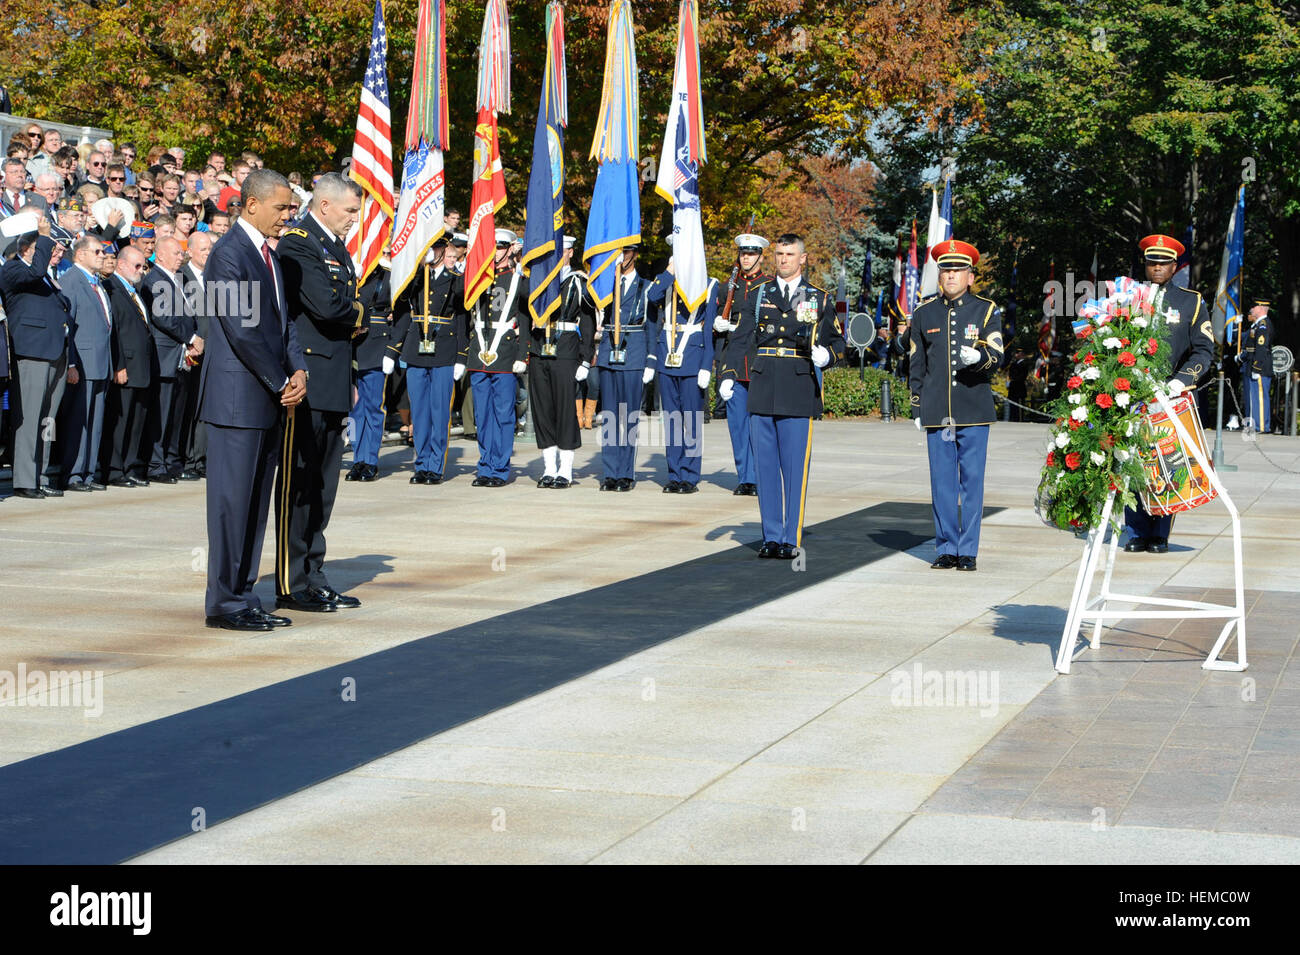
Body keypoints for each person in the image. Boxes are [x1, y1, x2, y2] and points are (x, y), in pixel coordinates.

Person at [199, 168, 306, 632]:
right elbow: (241, 329)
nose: (288, 216)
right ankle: (224, 603)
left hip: (265, 397)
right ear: (251, 204)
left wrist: (298, 367)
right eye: (281, 207)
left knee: (255, 504)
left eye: (290, 208)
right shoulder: (228, 255)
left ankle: (243, 594)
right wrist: (279, 379)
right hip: (237, 401)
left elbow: (284, 324)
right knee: (231, 505)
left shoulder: (269, 255)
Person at [272, 173, 366, 612]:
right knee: (299, 484)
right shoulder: (298, 241)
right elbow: (326, 306)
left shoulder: (332, 245)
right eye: (350, 210)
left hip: (331, 379)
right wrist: (361, 312)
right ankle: (291, 582)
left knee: (324, 487)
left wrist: (348, 375)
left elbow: (338, 310)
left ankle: (314, 573)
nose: (354, 219)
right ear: (324, 205)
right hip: (306, 377)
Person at [720, 233, 844, 557]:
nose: (783, 259)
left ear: (803, 258)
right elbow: (742, 338)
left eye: (790, 254)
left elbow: (838, 343)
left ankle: (791, 539)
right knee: (765, 468)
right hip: (762, 387)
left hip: (798, 386)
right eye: (779, 254)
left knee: (793, 469)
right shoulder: (760, 294)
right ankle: (771, 536)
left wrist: (827, 357)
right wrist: (729, 374)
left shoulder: (818, 297)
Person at [908, 239, 1003, 572]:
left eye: (957, 270)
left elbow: (997, 356)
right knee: (942, 482)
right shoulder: (924, 312)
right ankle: (946, 547)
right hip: (938, 411)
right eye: (945, 270)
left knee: (972, 482)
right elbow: (916, 364)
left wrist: (980, 358)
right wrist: (917, 407)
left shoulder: (986, 310)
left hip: (973, 409)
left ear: (970, 276)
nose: (950, 276)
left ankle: (968, 549)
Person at [1123, 233, 1214, 554]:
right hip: (1131, 393)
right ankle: (1135, 529)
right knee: (1133, 462)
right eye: (1152, 262)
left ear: (1175, 266)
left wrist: (1181, 381)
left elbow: (1204, 351)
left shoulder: (1191, 301)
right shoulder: (1127, 297)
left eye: (1164, 262)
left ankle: (1160, 531)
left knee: (1167, 462)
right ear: (1145, 264)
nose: (1157, 267)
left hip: (1169, 394)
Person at [0, 211, 72, 498]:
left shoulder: (42, 275)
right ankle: (25, 478)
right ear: (25, 248)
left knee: (48, 420)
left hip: (55, 352)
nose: (51, 252)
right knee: (29, 418)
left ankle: (40, 474)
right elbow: (35, 272)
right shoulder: (13, 269)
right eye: (43, 247)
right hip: (31, 353)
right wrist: (43, 236)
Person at [388, 239, 468, 485]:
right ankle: (421, 463)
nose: (430, 253)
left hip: (444, 349)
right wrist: (392, 350)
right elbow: (402, 314)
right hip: (415, 349)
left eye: (434, 249)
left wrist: (461, 356)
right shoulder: (414, 278)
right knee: (419, 412)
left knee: (439, 410)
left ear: (444, 251)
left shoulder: (456, 280)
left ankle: (436, 465)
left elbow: (463, 319)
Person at [594, 243, 667, 491]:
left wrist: (651, 360)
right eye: (617, 252)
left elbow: (652, 326)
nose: (621, 257)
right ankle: (610, 472)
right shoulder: (605, 284)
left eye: (625, 252)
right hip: (608, 353)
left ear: (635, 254)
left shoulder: (646, 287)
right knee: (610, 418)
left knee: (628, 419)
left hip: (634, 354)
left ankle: (625, 472)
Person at [526, 235, 596, 489]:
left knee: (566, 411)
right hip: (538, 349)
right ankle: (548, 468)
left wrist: (586, 359)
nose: (557, 255)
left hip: (566, 350)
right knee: (543, 411)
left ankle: (565, 470)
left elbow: (587, 323)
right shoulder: (539, 279)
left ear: (570, 252)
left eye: (562, 250)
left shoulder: (577, 282)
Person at [465, 228, 527, 487]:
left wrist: (522, 355)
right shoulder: (477, 277)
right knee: (483, 414)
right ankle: (485, 466)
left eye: (501, 246)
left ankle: (499, 468)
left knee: (503, 414)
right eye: (492, 246)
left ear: (511, 248)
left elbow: (525, 317)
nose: (496, 251)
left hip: (504, 353)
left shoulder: (518, 280)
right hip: (478, 352)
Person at [650, 253, 715, 493]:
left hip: (692, 358)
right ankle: (674, 474)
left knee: (691, 422)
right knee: (672, 421)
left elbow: (708, 329)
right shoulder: (667, 280)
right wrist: (670, 271)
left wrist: (707, 364)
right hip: (668, 357)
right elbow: (652, 297)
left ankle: (690, 475)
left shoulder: (708, 283)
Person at [141, 236, 200, 482]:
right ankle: (157, 464)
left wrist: (194, 337)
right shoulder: (155, 279)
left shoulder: (178, 279)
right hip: (165, 356)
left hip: (181, 357)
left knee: (177, 415)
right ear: (161, 255)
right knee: (162, 415)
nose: (181, 257)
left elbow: (190, 313)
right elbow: (164, 317)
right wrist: (191, 338)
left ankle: (172, 462)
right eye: (176, 253)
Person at [714, 233, 770, 495]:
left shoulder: (769, 286)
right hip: (733, 364)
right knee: (737, 425)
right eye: (743, 253)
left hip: (759, 362)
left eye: (751, 253)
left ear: (760, 256)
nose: (746, 258)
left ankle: (760, 476)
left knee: (759, 426)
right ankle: (745, 477)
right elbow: (715, 324)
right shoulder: (727, 288)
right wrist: (718, 326)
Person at [58, 236, 114, 490]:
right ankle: (73, 473)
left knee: (96, 421)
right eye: (97, 251)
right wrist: (70, 364)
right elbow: (67, 326)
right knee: (79, 421)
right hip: (83, 361)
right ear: (80, 255)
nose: (103, 255)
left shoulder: (97, 283)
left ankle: (88, 473)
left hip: (101, 361)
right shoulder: (71, 281)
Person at [104, 244, 154, 487]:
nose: (141, 270)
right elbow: (116, 332)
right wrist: (119, 365)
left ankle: (130, 466)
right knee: (120, 421)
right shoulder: (112, 288)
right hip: (126, 366)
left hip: (142, 366)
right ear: (121, 264)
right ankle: (114, 469)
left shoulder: (136, 291)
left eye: (143, 266)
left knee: (136, 421)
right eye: (136, 265)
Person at [345, 253, 397, 482]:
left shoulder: (389, 276)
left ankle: (370, 460)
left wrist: (391, 350)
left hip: (375, 344)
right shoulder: (351, 275)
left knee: (373, 408)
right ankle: (358, 457)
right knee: (354, 410)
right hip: (351, 345)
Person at [180, 230, 213, 477]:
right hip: (192, 350)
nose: (208, 253)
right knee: (190, 407)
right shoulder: (181, 277)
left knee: (205, 406)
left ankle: (200, 458)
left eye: (210, 248)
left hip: (213, 351)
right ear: (189, 251)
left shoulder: (214, 276)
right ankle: (188, 458)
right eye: (203, 249)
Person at [1241, 298, 1274, 434]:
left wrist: (1257, 368)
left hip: (1259, 366)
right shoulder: (1256, 325)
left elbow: (1261, 348)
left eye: (1254, 307)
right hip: (1251, 364)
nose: (1251, 309)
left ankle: (1261, 426)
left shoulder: (1263, 325)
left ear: (1260, 308)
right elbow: (1250, 347)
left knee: (1260, 398)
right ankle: (1254, 424)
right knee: (1253, 397)